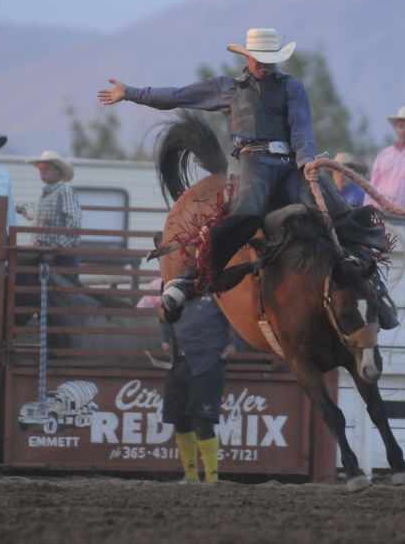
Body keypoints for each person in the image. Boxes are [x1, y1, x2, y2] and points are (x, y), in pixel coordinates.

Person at [97, 28, 316, 311]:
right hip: (255, 162)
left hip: (290, 164)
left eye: (270, 60)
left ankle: (358, 265)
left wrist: (307, 162)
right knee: (247, 215)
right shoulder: (228, 88)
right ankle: (192, 276)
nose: (265, 65)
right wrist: (130, 93)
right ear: (248, 57)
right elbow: (176, 96)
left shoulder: (292, 88)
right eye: (260, 59)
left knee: (319, 211)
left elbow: (302, 130)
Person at [157, 293, 245, 483]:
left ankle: (211, 479)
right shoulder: (180, 291)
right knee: (180, 421)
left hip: (208, 362)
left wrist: (235, 345)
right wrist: (164, 338)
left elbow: (243, 319)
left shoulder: (221, 294)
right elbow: (164, 314)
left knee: (203, 421)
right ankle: (191, 477)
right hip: (180, 362)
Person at [18, 150, 83, 269]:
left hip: (61, 257)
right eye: (40, 169)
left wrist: (56, 249)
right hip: (42, 252)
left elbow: (74, 224)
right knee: (17, 261)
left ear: (58, 171)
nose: (42, 172)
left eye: (46, 168)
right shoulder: (45, 195)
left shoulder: (65, 191)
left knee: (19, 265)